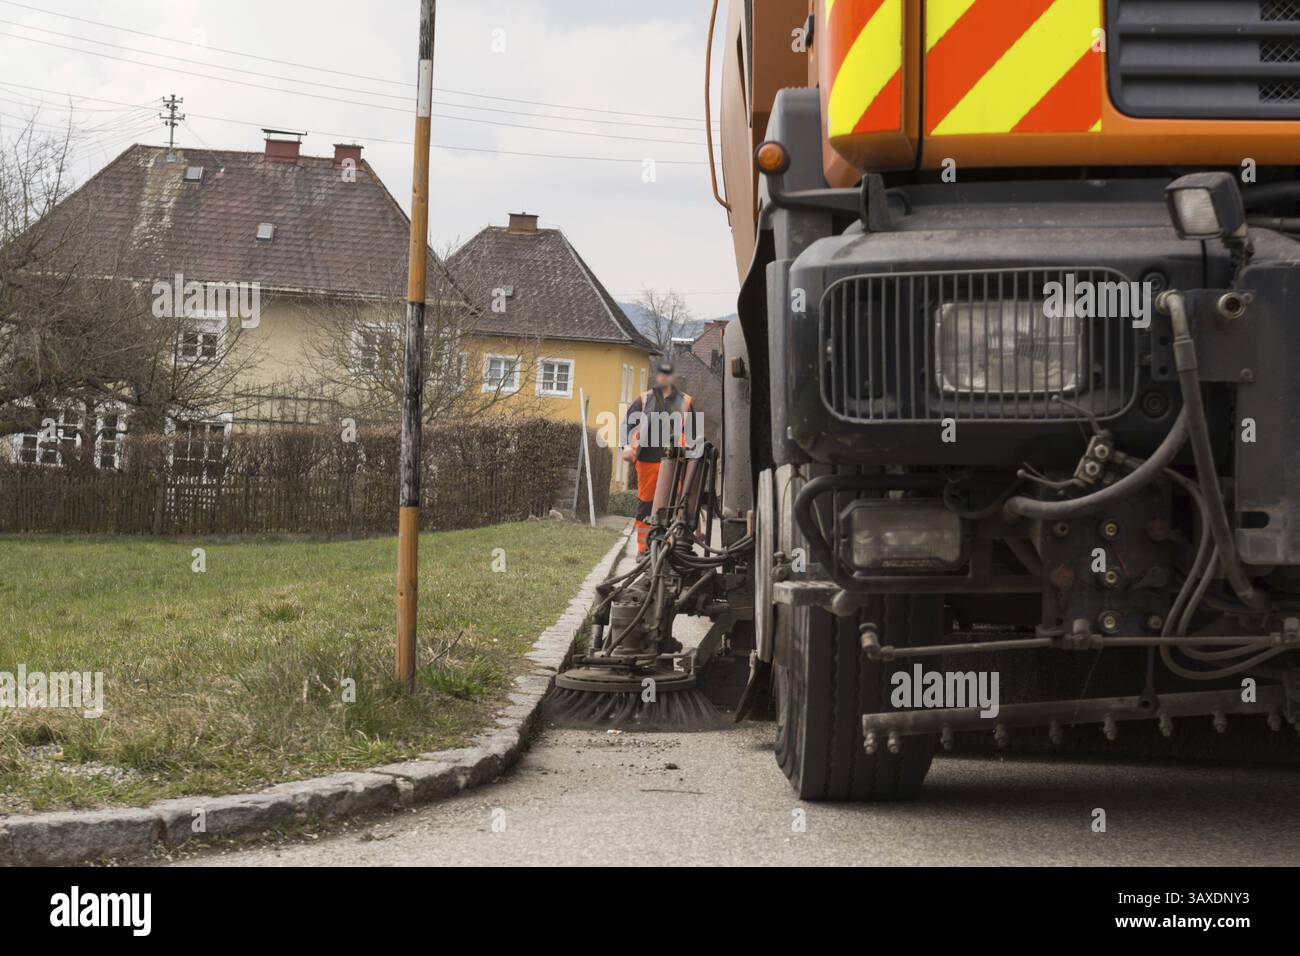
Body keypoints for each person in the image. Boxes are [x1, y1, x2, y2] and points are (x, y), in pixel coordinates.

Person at [623, 361, 694, 553]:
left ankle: (674, 546)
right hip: (648, 460)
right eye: (661, 374)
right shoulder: (644, 400)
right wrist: (627, 447)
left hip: (677, 461)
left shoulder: (685, 401)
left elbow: (693, 434)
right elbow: (627, 427)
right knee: (647, 505)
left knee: (678, 504)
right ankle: (644, 548)